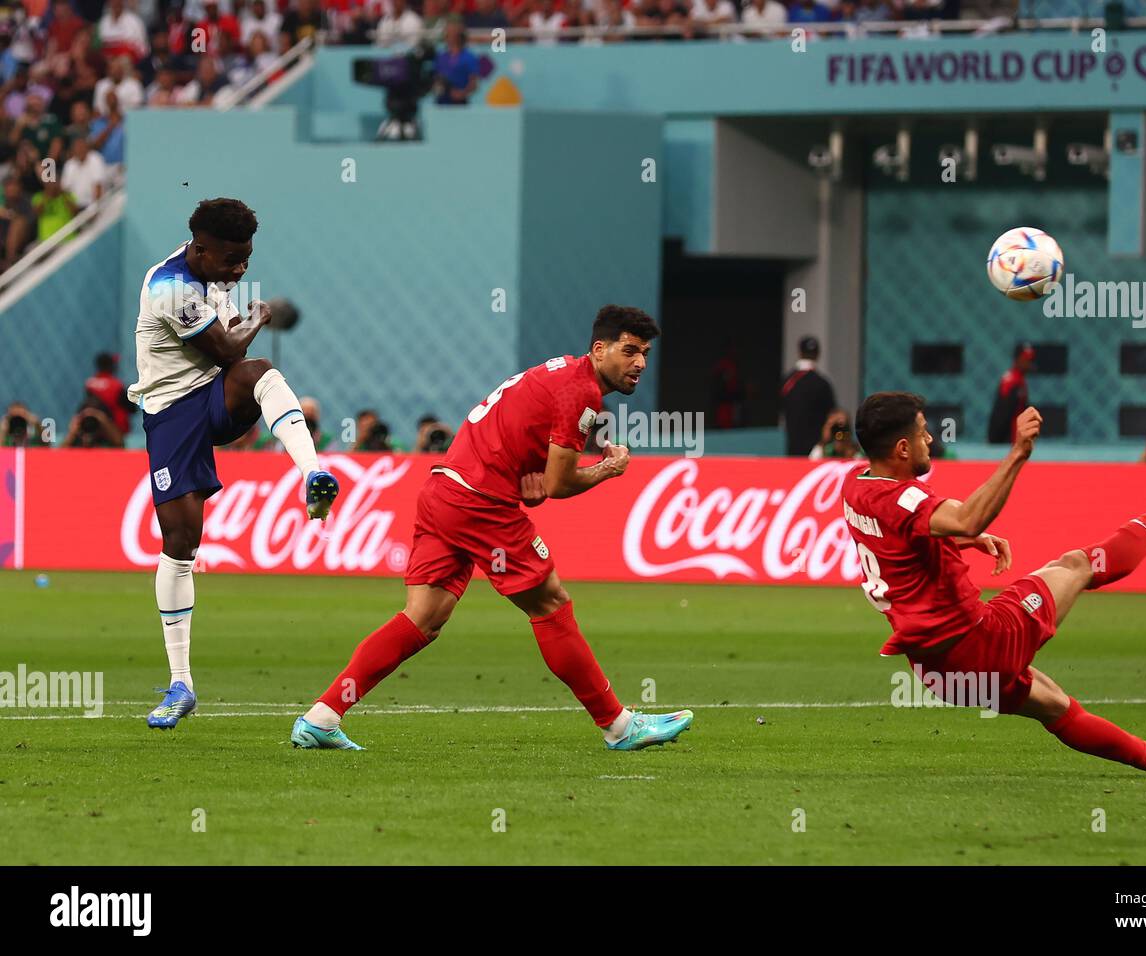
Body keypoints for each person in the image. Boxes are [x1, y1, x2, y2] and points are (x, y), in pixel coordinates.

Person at [290, 305, 694, 752]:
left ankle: (322, 716)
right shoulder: (580, 393)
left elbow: (530, 463)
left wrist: (531, 479)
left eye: (645, 354)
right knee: (550, 602)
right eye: (629, 351)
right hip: (478, 502)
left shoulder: (560, 372)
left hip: (444, 488)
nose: (639, 363)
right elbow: (559, 484)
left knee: (423, 616)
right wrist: (608, 468)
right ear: (600, 350)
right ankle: (619, 727)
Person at [843, 392, 1146, 777]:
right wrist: (1019, 450)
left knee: (1055, 706)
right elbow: (967, 517)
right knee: (1079, 565)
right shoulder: (905, 499)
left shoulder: (856, 486)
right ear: (902, 448)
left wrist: (962, 540)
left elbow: (894, 540)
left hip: (938, 671)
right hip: (984, 644)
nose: (930, 439)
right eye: (922, 433)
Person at [129, 198, 341, 731]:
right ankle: (181, 685)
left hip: (213, 398)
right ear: (199, 249)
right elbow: (224, 347)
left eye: (246, 257)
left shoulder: (216, 270)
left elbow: (230, 361)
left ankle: (313, 472)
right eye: (230, 259)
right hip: (170, 412)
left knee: (261, 372)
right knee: (181, 540)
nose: (240, 268)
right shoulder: (170, 286)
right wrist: (260, 315)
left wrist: (250, 315)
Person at [780, 335, 836, 456]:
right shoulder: (822, 383)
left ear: (799, 352)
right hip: (816, 450)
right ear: (818, 354)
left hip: (793, 448)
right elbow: (832, 415)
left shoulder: (788, 381)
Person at [986, 341, 1033, 444]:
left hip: (1016, 442)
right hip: (1007, 444)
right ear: (1017, 359)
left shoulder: (1020, 381)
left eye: (1030, 359)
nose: (1028, 363)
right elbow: (1001, 415)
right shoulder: (1010, 381)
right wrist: (996, 444)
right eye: (1025, 359)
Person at [84, 351, 136, 438]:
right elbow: (132, 409)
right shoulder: (116, 385)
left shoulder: (89, 384)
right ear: (110, 366)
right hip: (115, 430)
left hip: (95, 429)